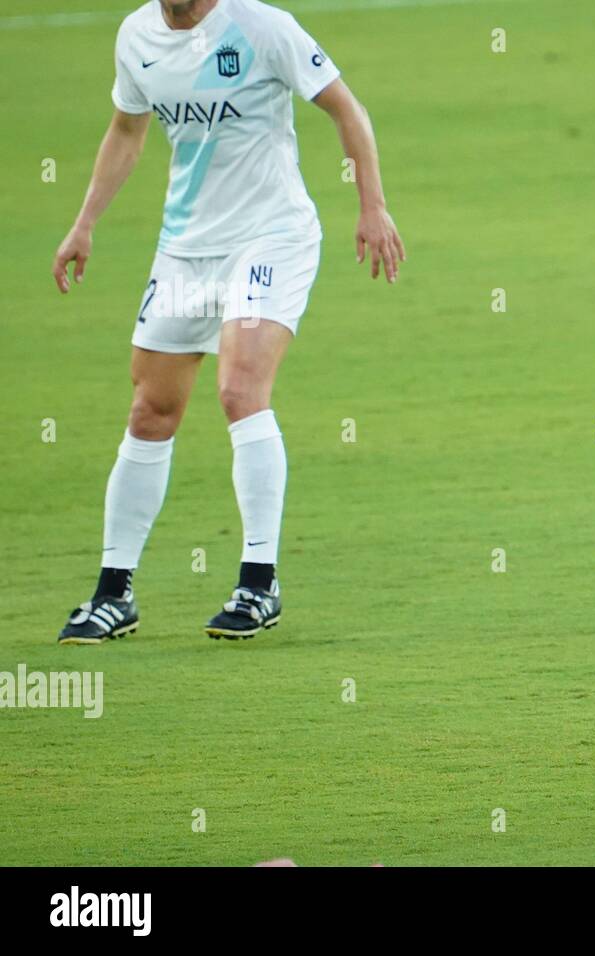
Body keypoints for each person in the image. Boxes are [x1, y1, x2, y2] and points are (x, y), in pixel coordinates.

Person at [52, 0, 405, 643]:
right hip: (185, 250)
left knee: (240, 391)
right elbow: (126, 131)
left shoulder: (261, 27)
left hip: (271, 236)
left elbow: (345, 107)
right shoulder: (136, 37)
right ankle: (114, 592)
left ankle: (259, 582)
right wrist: (84, 224)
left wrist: (372, 206)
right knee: (150, 412)